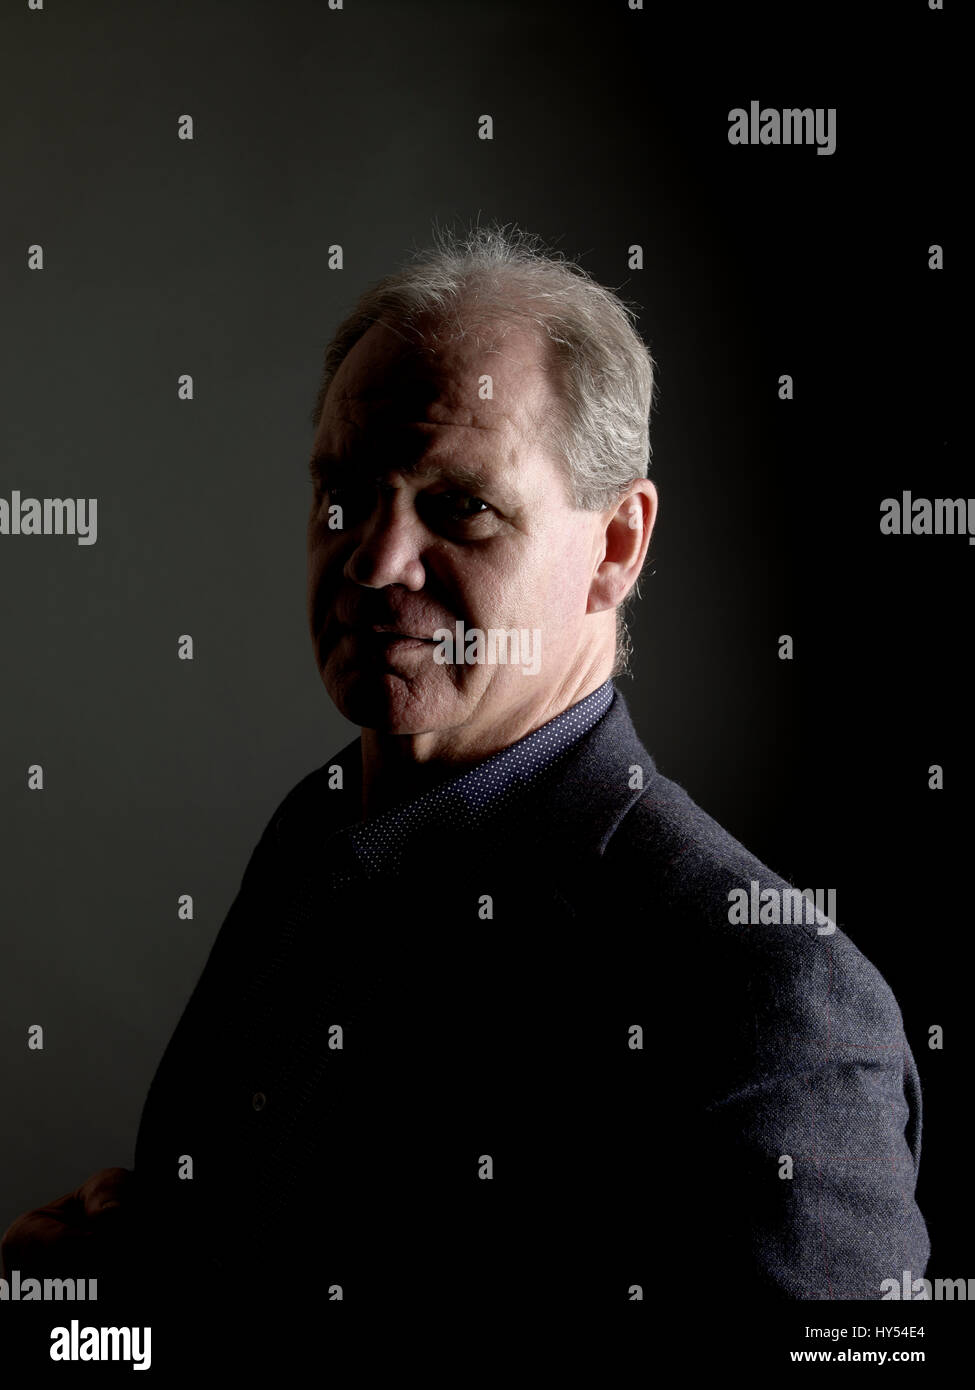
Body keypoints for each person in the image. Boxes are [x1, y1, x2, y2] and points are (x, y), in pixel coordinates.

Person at [2, 225, 929, 1337]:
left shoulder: (773, 1000)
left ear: (617, 546)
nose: (372, 562)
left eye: (460, 506)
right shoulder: (319, 834)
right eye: (343, 493)